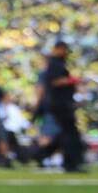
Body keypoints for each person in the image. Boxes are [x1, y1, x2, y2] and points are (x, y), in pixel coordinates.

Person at [33, 40, 84, 173]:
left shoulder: (57, 63)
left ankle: (42, 155)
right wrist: (74, 80)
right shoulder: (54, 64)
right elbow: (53, 82)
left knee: (62, 134)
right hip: (59, 105)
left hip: (59, 104)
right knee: (67, 134)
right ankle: (69, 162)